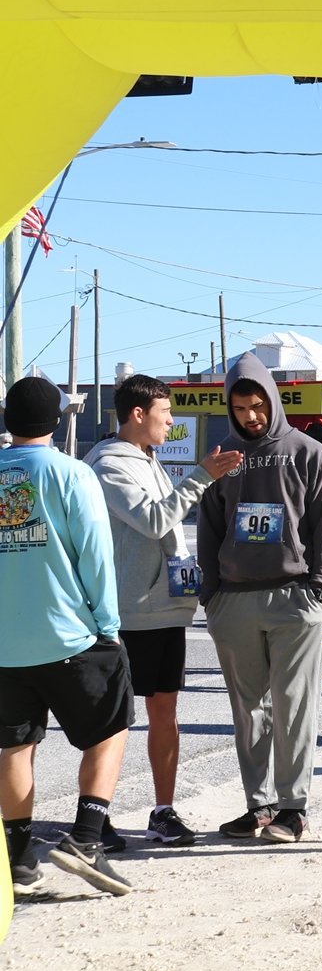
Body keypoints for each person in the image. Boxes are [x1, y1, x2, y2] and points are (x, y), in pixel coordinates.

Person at [85, 373, 243, 848]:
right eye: (165, 413)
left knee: (165, 712)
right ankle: (95, 818)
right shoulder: (108, 465)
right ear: (138, 414)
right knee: (111, 721)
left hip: (167, 610)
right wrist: (202, 477)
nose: (171, 422)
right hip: (129, 613)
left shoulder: (147, 459)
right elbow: (155, 520)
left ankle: (163, 810)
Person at [197, 354, 322, 844]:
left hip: (294, 598)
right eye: (240, 409)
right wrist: (212, 595)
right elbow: (208, 528)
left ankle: (293, 807)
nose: (250, 417)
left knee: (294, 704)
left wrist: (319, 586)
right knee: (249, 710)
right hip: (234, 601)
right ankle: (258, 806)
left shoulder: (307, 452)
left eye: (257, 406)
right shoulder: (224, 455)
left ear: (272, 401)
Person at [2, 375, 137, 896]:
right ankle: (83, 839)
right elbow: (95, 558)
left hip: (3, 646)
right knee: (110, 729)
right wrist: (108, 627)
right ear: (57, 421)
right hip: (68, 635)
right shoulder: (71, 473)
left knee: (14, 747)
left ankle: (17, 860)